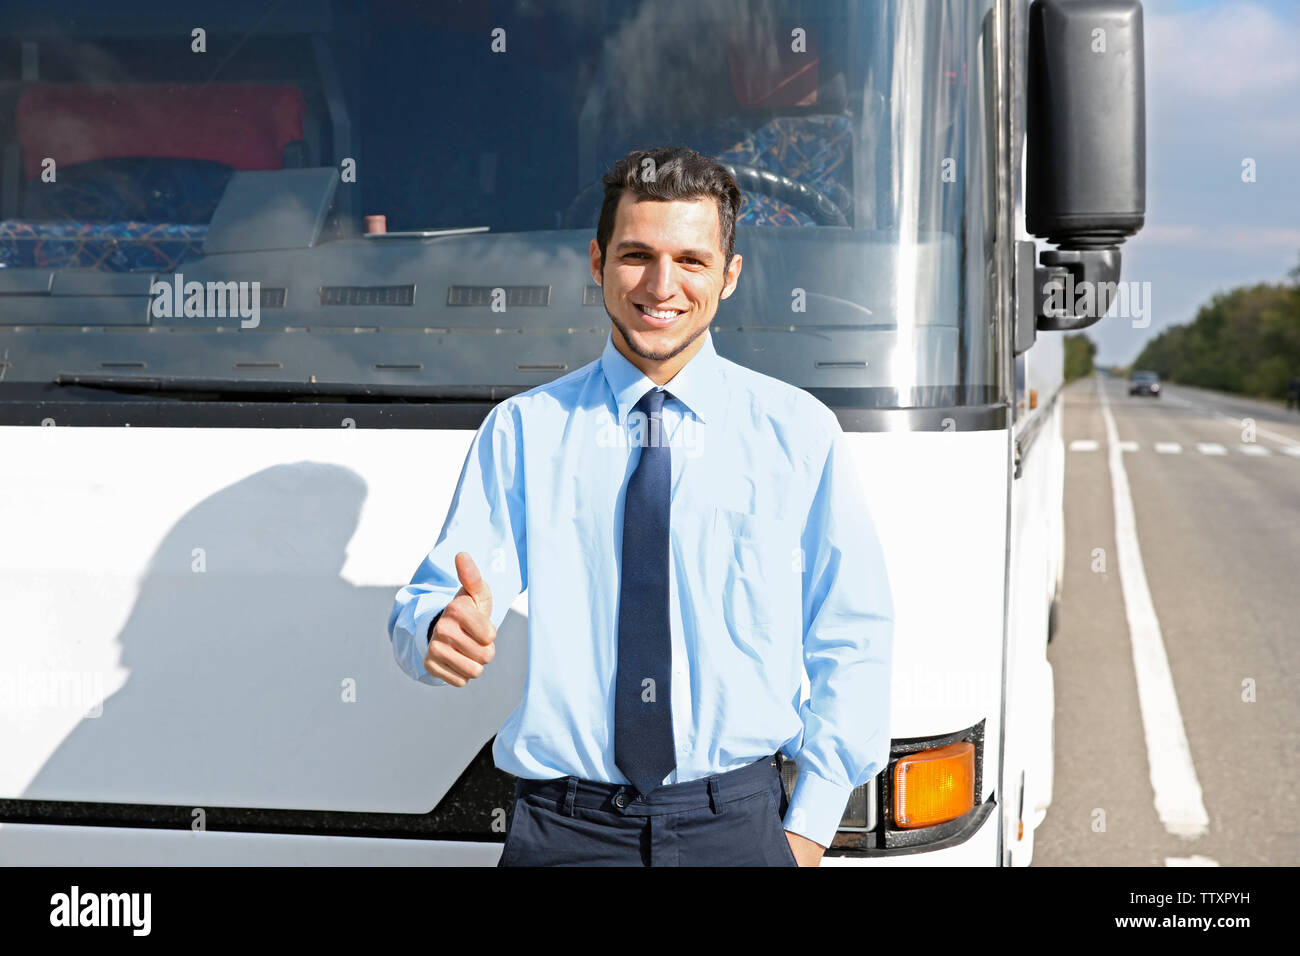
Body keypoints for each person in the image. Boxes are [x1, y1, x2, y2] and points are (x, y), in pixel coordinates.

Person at [387, 145, 894, 867]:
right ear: (597, 264)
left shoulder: (798, 433)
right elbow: (435, 598)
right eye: (636, 256)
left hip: (737, 826)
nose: (661, 285)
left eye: (691, 260)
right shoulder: (525, 431)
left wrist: (809, 826)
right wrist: (438, 626)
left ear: (730, 275)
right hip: (564, 833)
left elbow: (853, 633)